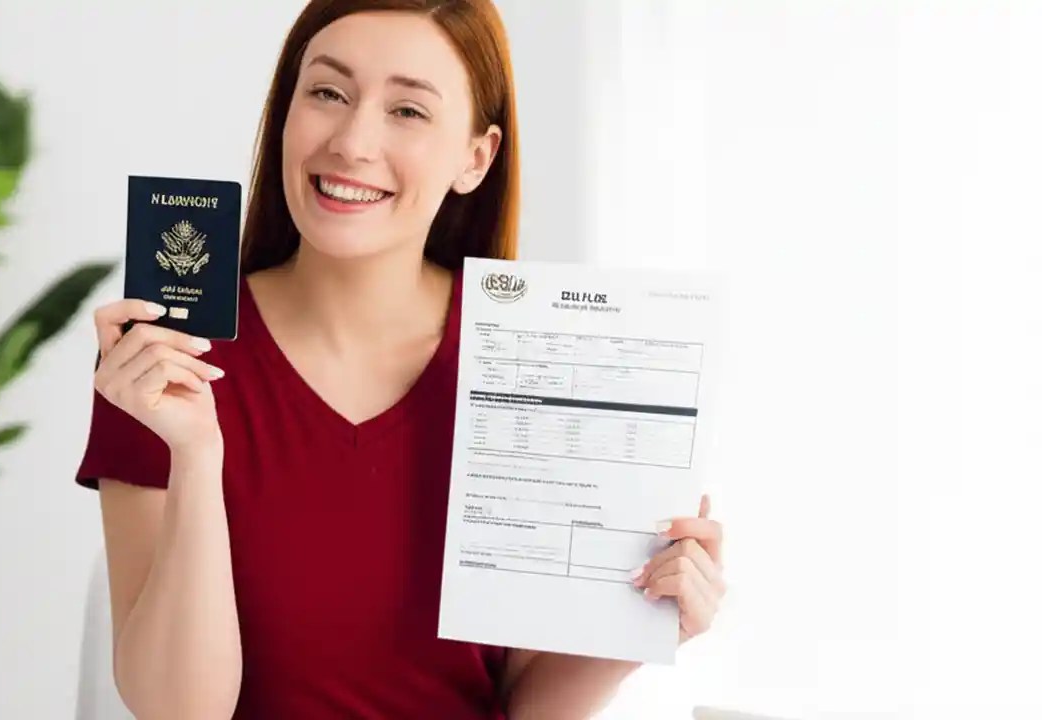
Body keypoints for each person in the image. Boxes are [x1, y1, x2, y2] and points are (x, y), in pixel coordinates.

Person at [73, 1, 727, 718]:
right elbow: (179, 711)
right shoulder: (164, 360)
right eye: (327, 93)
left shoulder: (534, 362)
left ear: (475, 157)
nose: (353, 142)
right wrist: (197, 456)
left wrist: (634, 627)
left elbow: (521, 706)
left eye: (408, 111)